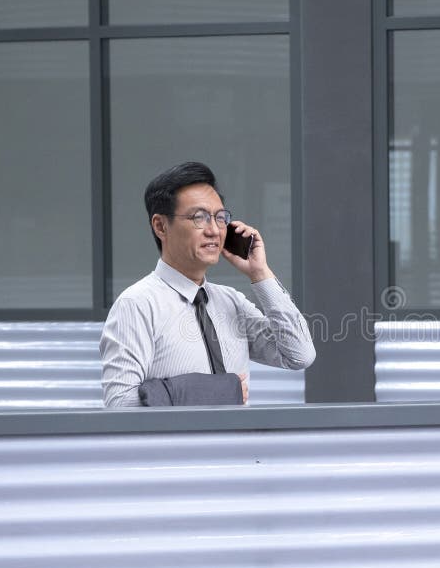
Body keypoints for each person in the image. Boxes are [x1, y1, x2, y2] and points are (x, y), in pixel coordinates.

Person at [100, 161, 315, 407]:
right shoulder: (137, 305)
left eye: (220, 217)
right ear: (160, 226)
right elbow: (121, 407)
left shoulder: (231, 302)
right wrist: (217, 391)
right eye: (199, 218)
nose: (214, 230)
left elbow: (299, 355)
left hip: (238, 445)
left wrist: (261, 273)